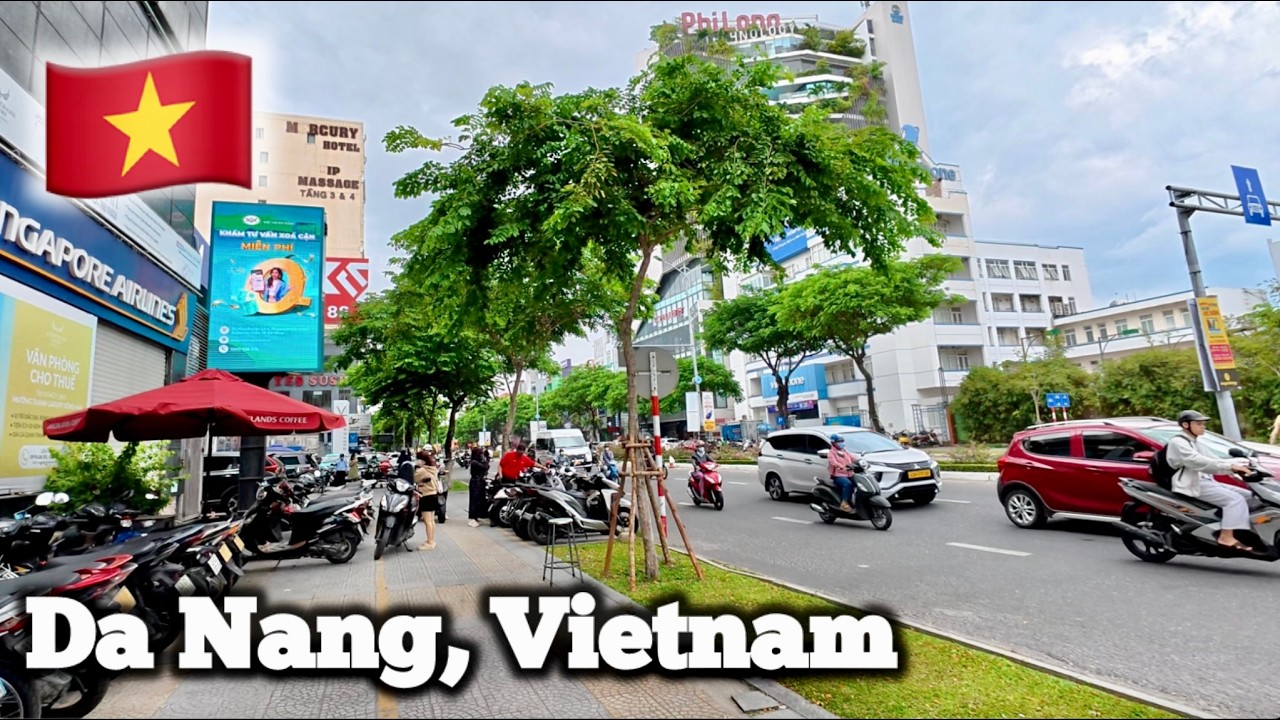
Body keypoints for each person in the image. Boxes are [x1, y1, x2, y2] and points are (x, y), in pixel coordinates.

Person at [1166, 410, 1255, 551]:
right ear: (1185, 425)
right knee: (1235, 500)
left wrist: (1243, 465)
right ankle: (1226, 537)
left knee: (1249, 496)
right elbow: (1197, 461)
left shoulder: (1195, 442)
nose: (1203, 427)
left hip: (1206, 482)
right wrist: (1230, 466)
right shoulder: (1178, 442)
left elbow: (1215, 460)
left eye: (1203, 424)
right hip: (1191, 484)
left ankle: (1235, 529)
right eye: (1199, 423)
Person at [414, 450, 441, 550]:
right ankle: (431, 540)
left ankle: (430, 543)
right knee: (431, 520)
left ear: (423, 461)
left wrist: (416, 469)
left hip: (426, 496)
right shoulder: (432, 469)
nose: (417, 461)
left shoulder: (422, 471)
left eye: (418, 459)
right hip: (434, 495)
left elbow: (414, 479)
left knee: (427, 521)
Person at [826, 434, 858, 513]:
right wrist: (842, 466)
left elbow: (852, 458)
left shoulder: (844, 451)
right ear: (833, 443)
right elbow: (833, 462)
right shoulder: (831, 453)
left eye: (842, 441)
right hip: (838, 475)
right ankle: (844, 503)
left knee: (859, 483)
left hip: (850, 473)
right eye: (839, 441)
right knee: (847, 484)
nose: (841, 443)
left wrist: (860, 461)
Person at [468, 443, 490, 527]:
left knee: (480, 500)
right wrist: (486, 460)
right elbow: (485, 467)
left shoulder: (477, 462)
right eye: (480, 454)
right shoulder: (474, 463)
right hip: (475, 482)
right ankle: (473, 517)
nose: (481, 455)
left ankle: (477, 516)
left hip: (480, 481)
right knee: (474, 500)